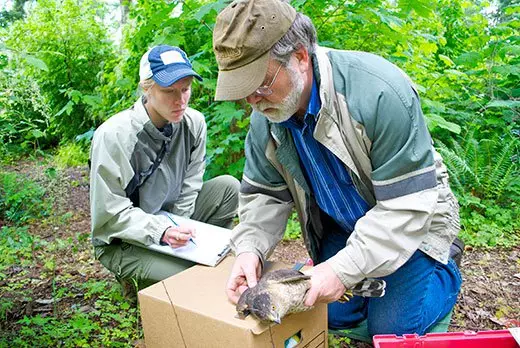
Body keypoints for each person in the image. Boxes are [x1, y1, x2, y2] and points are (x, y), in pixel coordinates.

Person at [212, 0, 463, 336]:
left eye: (260, 84)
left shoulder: (379, 92)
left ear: (300, 57)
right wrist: (249, 249)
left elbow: (405, 207)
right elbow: (263, 195)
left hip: (412, 221)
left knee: (391, 328)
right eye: (243, 91)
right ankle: (371, 278)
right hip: (345, 224)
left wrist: (341, 271)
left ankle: (443, 266)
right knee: (331, 315)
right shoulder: (267, 117)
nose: (252, 101)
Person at [89, 45, 240, 292]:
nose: (180, 100)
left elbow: (191, 182)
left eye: (185, 89)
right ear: (146, 89)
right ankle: (133, 278)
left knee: (228, 188)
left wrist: (180, 229)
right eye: (169, 91)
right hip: (123, 239)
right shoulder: (114, 136)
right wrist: (161, 230)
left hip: (170, 220)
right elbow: (110, 216)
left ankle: (199, 257)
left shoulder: (194, 123)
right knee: (192, 280)